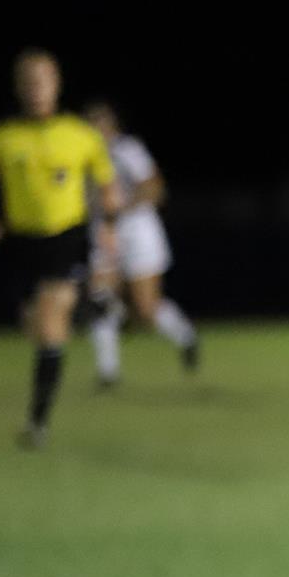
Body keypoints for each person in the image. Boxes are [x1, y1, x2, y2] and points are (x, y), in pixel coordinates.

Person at [0, 50, 119, 448]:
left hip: (66, 239)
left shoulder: (80, 134)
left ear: (57, 84)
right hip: (20, 243)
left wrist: (110, 226)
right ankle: (91, 304)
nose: (36, 89)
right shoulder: (3, 137)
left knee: (49, 325)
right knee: (34, 327)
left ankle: (38, 422)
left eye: (43, 80)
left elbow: (106, 185)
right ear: (18, 87)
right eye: (29, 82)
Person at [82, 101, 199, 385]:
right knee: (99, 297)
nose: (97, 131)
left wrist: (122, 207)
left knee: (145, 310)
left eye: (102, 125)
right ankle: (108, 371)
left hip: (137, 229)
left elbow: (155, 188)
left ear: (112, 127)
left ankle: (185, 335)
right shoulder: (80, 156)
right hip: (102, 230)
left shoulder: (127, 150)